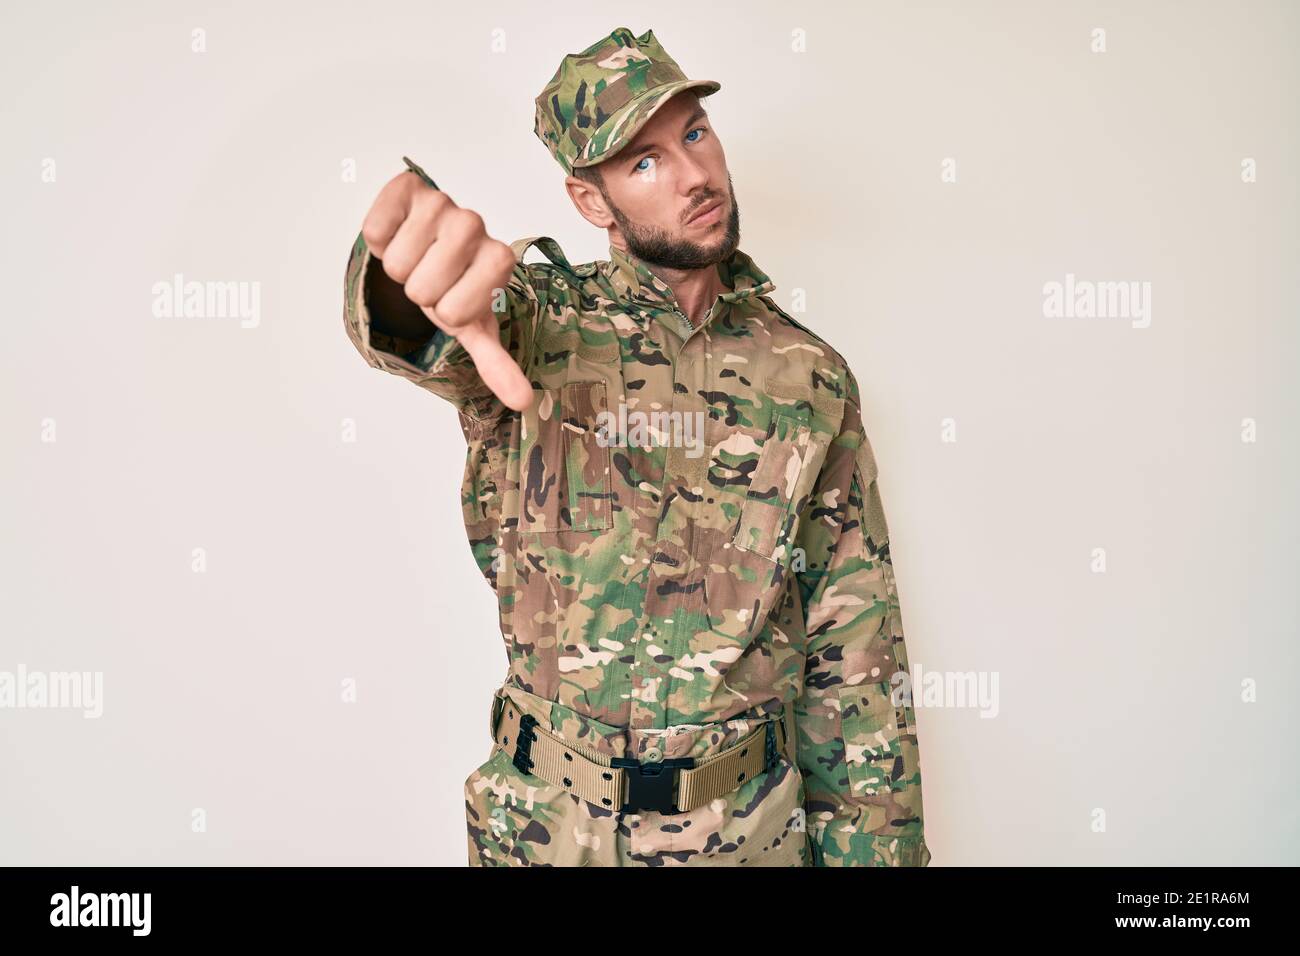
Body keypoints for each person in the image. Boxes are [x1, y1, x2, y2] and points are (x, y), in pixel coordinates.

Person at [342, 26, 932, 867]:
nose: (694, 174)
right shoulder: (539, 323)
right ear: (592, 202)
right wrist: (403, 287)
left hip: (743, 837)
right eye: (644, 162)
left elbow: (857, 660)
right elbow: (437, 329)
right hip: (543, 834)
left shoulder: (809, 378)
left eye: (694, 132)